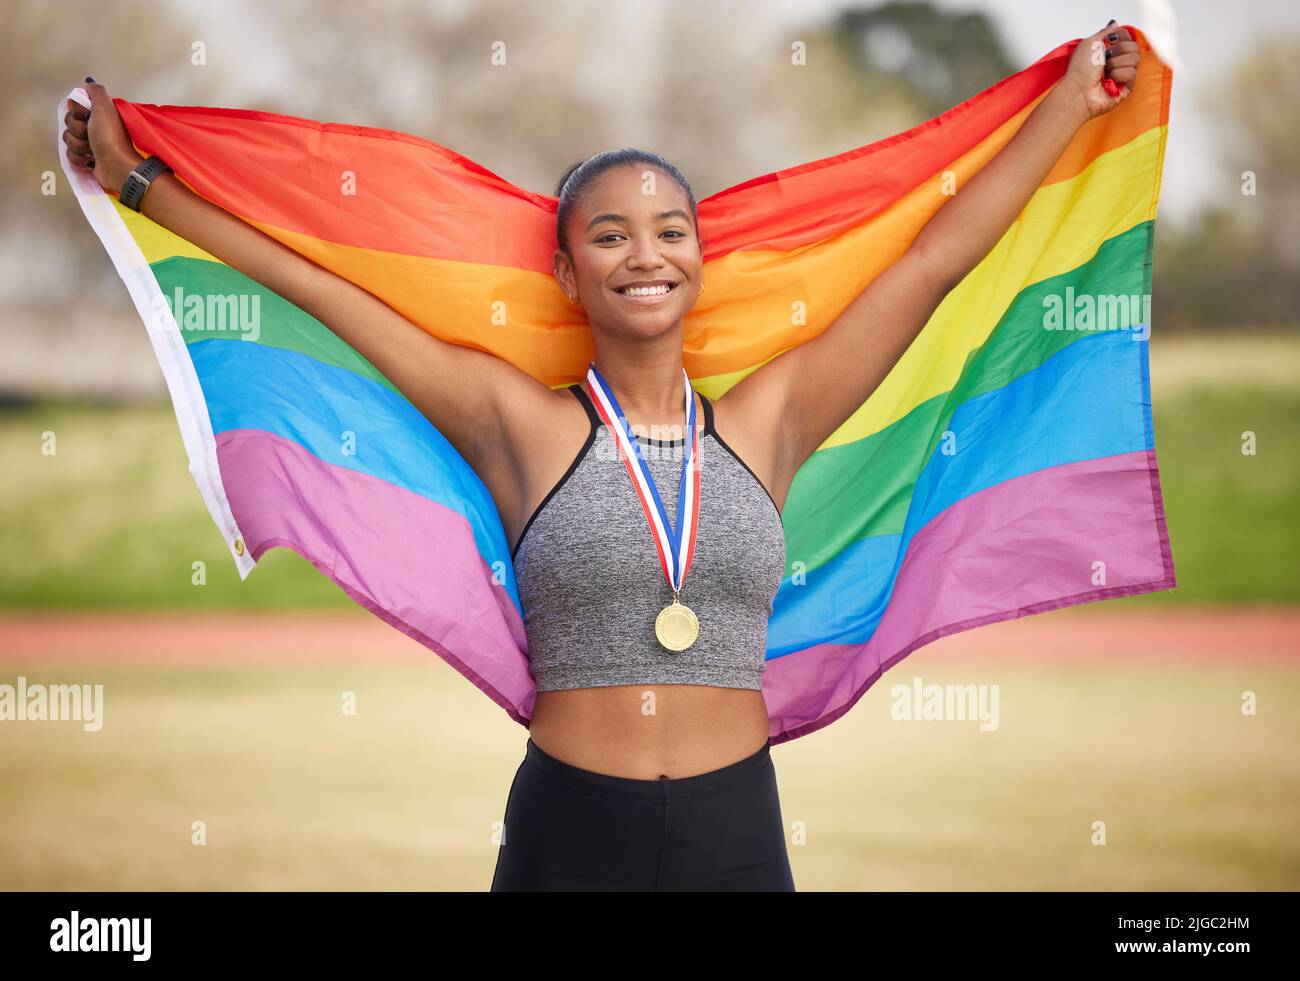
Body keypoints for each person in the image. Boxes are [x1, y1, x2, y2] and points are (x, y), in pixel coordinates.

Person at [60, 22, 1140, 891]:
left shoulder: (774, 418)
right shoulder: (514, 424)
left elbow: (936, 260)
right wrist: (145, 187)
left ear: (700, 263)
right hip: (569, 831)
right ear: (570, 276)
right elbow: (328, 293)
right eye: (610, 234)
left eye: (672, 229)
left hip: (736, 831)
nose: (646, 252)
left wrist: (1069, 102)